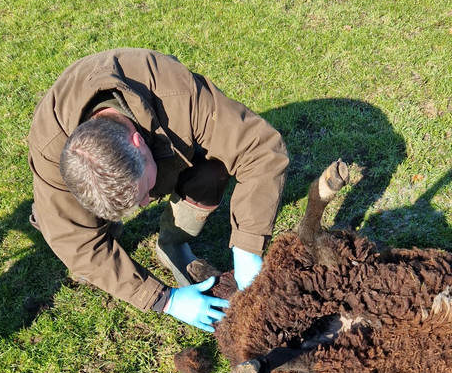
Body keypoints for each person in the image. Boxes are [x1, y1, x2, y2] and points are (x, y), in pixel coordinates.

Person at [27, 49, 289, 332]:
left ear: (138, 143)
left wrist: (248, 247)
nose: (144, 206)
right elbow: (74, 241)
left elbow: (259, 150)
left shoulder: (176, 96)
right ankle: (109, 229)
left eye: (143, 194)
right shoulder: (49, 149)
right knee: (80, 240)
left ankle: (173, 242)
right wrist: (165, 300)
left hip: (168, 135)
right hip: (82, 166)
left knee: (212, 170)